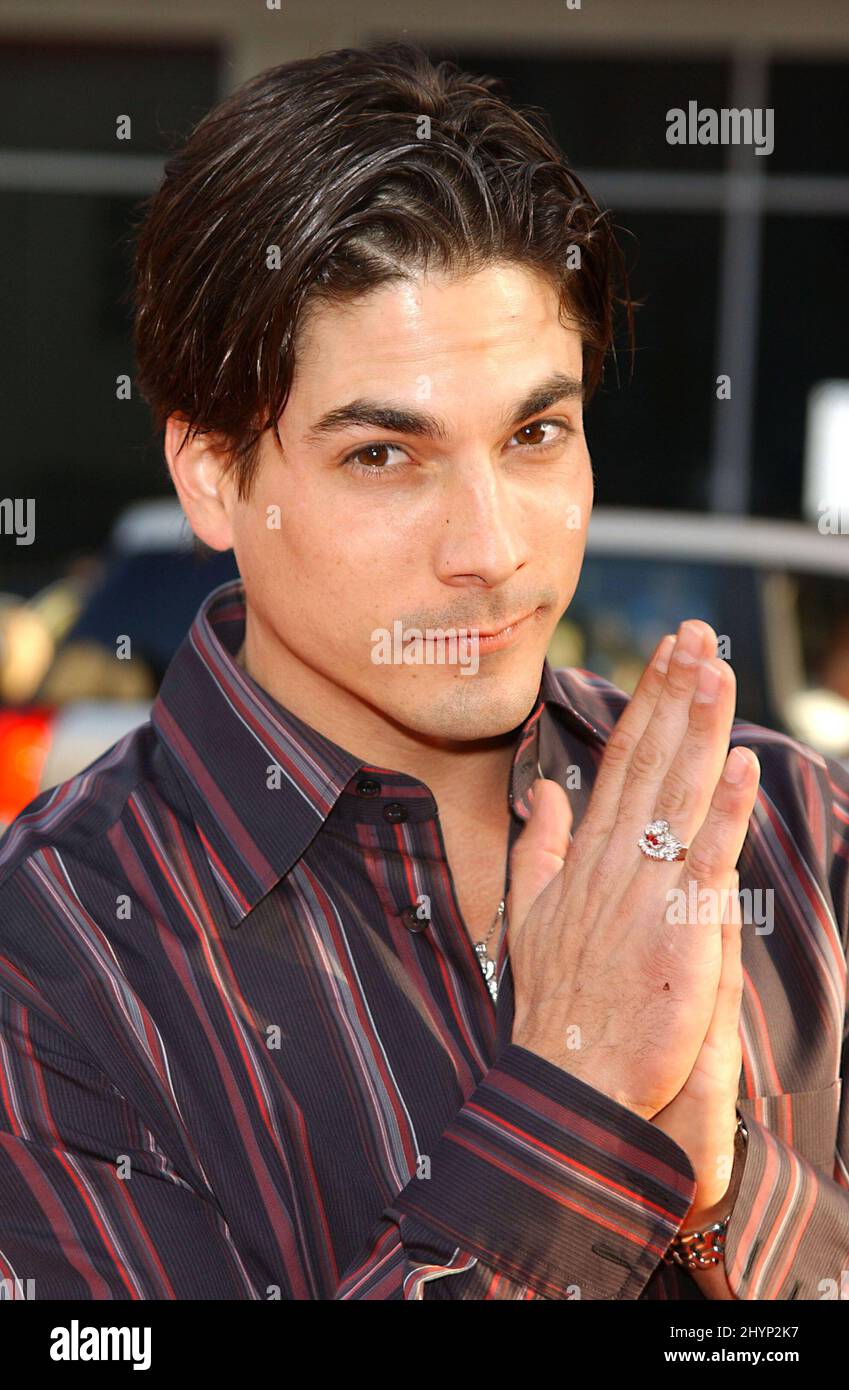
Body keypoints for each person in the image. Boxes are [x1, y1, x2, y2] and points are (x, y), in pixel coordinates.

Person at [0, 40, 846, 1301]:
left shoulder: (792, 831)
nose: (492, 550)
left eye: (535, 434)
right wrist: (580, 1110)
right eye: (385, 456)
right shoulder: (54, 966)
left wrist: (721, 1198)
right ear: (213, 476)